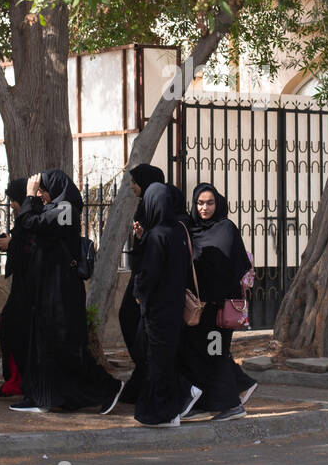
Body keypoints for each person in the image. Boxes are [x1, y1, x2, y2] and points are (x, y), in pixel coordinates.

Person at [12, 169, 124, 413]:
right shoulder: (53, 208)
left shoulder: (65, 210)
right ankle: (44, 395)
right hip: (48, 292)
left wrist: (30, 197)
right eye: (39, 191)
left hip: (61, 294)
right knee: (44, 346)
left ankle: (108, 388)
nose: (40, 195)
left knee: (65, 348)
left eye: (43, 190)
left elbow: (32, 222)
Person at [181, 182, 257, 418]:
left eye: (210, 203)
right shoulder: (189, 229)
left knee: (216, 354)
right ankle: (204, 402)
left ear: (218, 203)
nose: (204, 208)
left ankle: (231, 405)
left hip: (219, 311)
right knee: (197, 355)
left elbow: (238, 266)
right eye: (200, 203)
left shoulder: (226, 228)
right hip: (197, 309)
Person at [131, 182, 204, 427]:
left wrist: (139, 291)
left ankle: (166, 412)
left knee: (157, 362)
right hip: (173, 308)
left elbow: (148, 272)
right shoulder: (176, 232)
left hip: (158, 310)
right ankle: (179, 399)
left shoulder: (158, 235)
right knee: (163, 359)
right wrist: (142, 239)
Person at [119, 163, 166, 405]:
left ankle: (146, 372)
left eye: (135, 182)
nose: (132, 187)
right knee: (128, 319)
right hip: (139, 275)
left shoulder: (158, 208)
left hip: (148, 279)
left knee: (138, 325)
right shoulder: (143, 208)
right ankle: (143, 370)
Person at [0, 177, 34, 398]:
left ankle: (22, 379)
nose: (11, 205)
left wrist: (13, 244)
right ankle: (15, 379)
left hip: (29, 289)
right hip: (21, 286)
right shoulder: (24, 220)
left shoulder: (32, 219)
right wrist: (10, 243)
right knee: (9, 329)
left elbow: (32, 248)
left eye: (13, 200)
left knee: (14, 330)